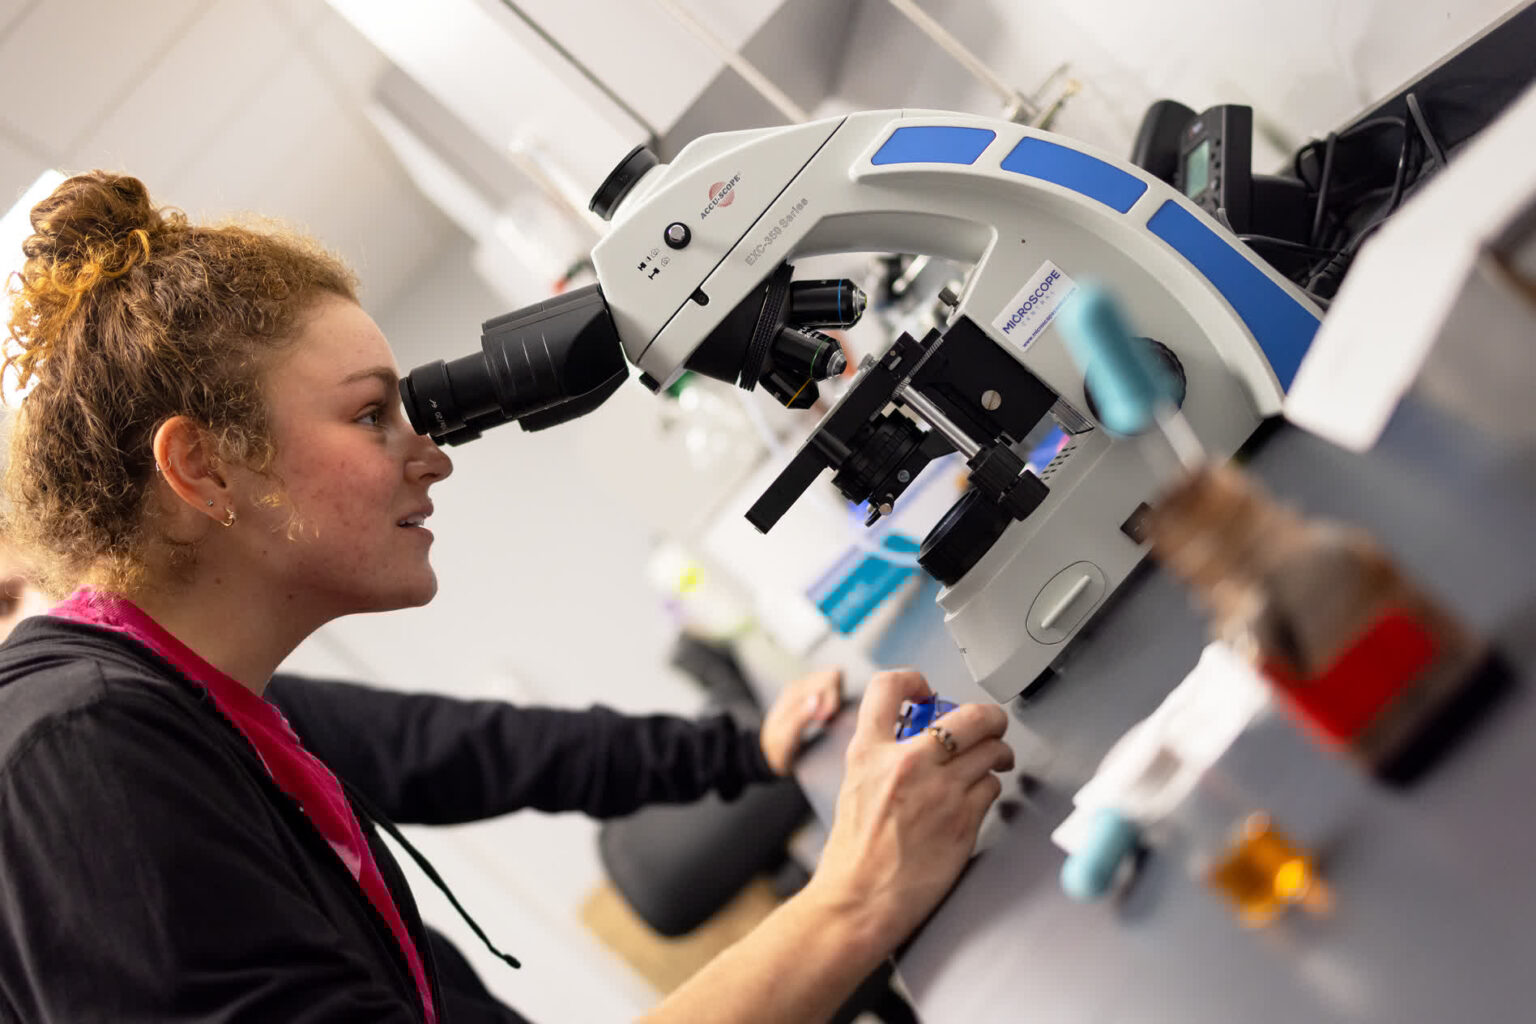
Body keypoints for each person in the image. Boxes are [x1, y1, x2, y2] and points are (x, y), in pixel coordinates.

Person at [0, 171, 1013, 1023]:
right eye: (370, 415)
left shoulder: (189, 702)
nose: (431, 457)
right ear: (205, 469)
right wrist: (853, 900)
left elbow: (464, 748)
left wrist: (740, 750)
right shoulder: (76, 755)